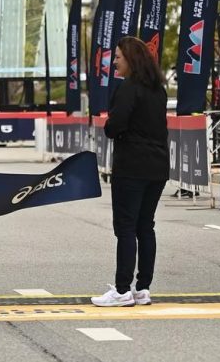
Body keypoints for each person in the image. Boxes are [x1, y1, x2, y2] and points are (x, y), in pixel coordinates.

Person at [91, 36, 168, 308]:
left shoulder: (127, 88)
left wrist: (111, 125)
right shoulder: (158, 90)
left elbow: (115, 126)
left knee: (125, 227)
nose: (114, 62)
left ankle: (122, 289)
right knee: (145, 227)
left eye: (118, 57)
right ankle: (142, 288)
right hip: (157, 167)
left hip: (132, 166)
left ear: (131, 60)